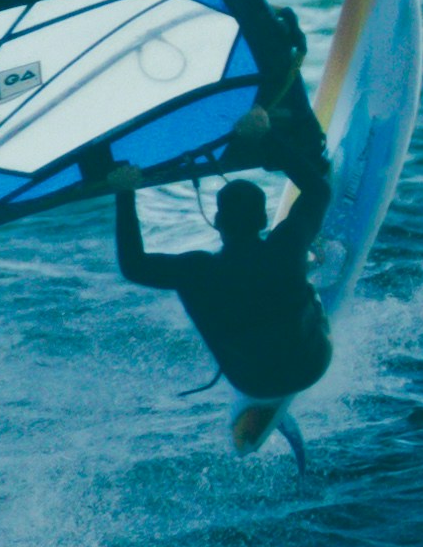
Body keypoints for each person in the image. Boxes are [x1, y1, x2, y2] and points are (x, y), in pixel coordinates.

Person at [117, 122, 336, 428]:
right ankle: (316, 282)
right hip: (311, 365)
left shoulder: (194, 271)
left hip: (252, 382)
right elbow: (319, 190)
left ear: (218, 221)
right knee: (298, 271)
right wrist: (266, 135)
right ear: (262, 219)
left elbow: (133, 265)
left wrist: (124, 192)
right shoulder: (287, 244)